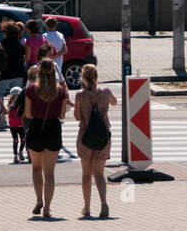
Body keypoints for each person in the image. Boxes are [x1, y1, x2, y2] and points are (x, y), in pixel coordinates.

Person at [24, 58, 68, 218]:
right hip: (53, 128)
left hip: (36, 127)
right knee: (49, 172)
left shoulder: (31, 90)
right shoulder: (61, 91)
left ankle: (38, 200)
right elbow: (62, 116)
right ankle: (47, 209)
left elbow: (28, 114)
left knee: (36, 168)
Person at [74, 64, 117, 219]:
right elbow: (114, 102)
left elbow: (77, 117)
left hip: (85, 136)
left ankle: (87, 208)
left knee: (86, 174)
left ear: (83, 77)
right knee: (99, 174)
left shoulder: (80, 95)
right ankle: (104, 203)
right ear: (96, 76)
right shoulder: (105, 91)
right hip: (102, 135)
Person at [0, 19, 27, 115]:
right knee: (17, 95)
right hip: (19, 72)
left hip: (6, 73)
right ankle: (15, 116)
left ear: (5, 32)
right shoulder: (19, 43)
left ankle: (1, 115)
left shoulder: (3, 43)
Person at [6, 86, 27, 163]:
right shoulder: (11, 105)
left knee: (23, 139)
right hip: (14, 126)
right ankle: (15, 155)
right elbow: (11, 117)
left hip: (20, 125)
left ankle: (20, 152)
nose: (17, 97)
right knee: (16, 140)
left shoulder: (22, 103)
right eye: (15, 95)